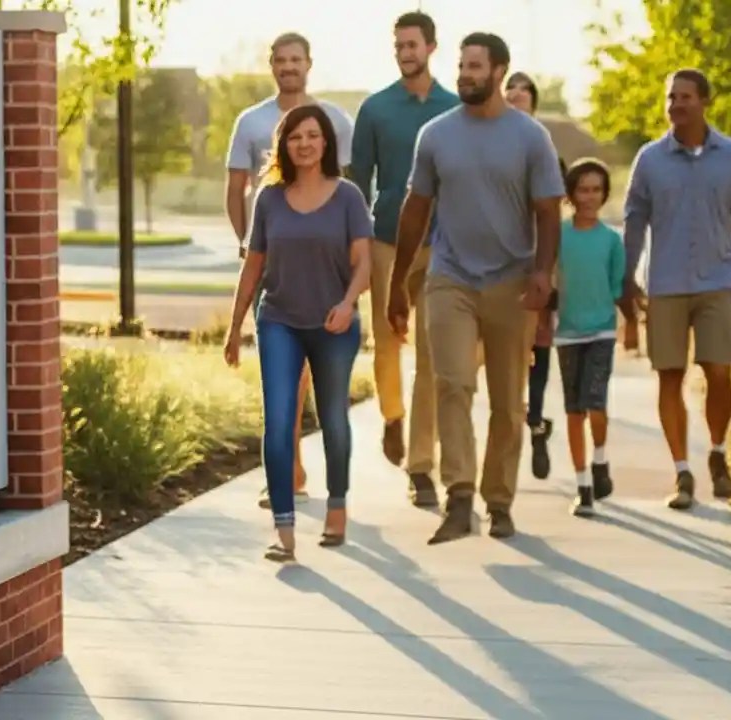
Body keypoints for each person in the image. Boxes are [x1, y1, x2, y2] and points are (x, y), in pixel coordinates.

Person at [388, 32, 565, 544]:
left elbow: (549, 212)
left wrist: (542, 274)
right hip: (451, 277)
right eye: (462, 65)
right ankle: (460, 495)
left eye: (475, 66)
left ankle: (499, 501)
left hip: (512, 281)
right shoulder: (436, 135)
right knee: (453, 382)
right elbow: (415, 209)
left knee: (509, 402)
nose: (464, 74)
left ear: (499, 71)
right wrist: (399, 282)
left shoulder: (531, 137)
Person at [224, 104, 372, 562]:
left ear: (326, 142)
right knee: (280, 422)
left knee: (332, 419)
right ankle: (283, 529)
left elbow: (364, 262)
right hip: (280, 321)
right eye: (295, 137)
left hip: (334, 323)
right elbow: (254, 265)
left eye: (312, 135)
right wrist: (234, 328)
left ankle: (338, 507)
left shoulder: (347, 196)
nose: (304, 144)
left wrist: (348, 305)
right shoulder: (268, 198)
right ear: (282, 145)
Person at [620, 68, 731, 511]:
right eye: (671, 98)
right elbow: (633, 222)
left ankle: (719, 453)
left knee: (719, 372)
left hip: (718, 282)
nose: (676, 105)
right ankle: (682, 470)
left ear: (704, 101)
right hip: (665, 283)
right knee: (670, 375)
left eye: (685, 97)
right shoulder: (649, 160)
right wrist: (626, 281)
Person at [225, 31, 355, 511]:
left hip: (325, 269)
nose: (288, 67)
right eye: (280, 60)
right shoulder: (252, 121)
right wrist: (248, 245)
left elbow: (346, 192)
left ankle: (307, 467)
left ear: (309, 63)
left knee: (314, 372)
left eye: (296, 59)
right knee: (282, 372)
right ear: (272, 66)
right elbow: (236, 187)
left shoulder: (336, 121)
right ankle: (287, 468)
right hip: (272, 267)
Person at [350, 10, 459, 508]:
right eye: (398, 45)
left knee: (432, 356)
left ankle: (421, 465)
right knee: (388, 343)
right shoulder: (375, 110)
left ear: (431, 47)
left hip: (441, 245)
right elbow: (357, 185)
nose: (404, 52)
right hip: (387, 241)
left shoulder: (454, 109)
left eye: (411, 44)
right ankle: (392, 416)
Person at [505, 70, 568, 481]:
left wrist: (551, 275)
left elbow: (554, 218)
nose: (516, 96)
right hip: (497, 269)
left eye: (524, 92)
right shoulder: (485, 146)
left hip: (538, 267)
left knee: (539, 352)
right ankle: (512, 422)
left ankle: (538, 422)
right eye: (510, 90)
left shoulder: (546, 152)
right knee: (503, 357)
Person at [554, 159, 625, 517]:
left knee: (595, 401)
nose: (589, 197)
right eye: (583, 189)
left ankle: (600, 460)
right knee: (573, 410)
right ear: (571, 194)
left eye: (597, 189)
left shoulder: (612, 240)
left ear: (604, 195)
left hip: (601, 330)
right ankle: (583, 485)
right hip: (566, 333)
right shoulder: (558, 237)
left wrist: (633, 330)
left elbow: (616, 288)